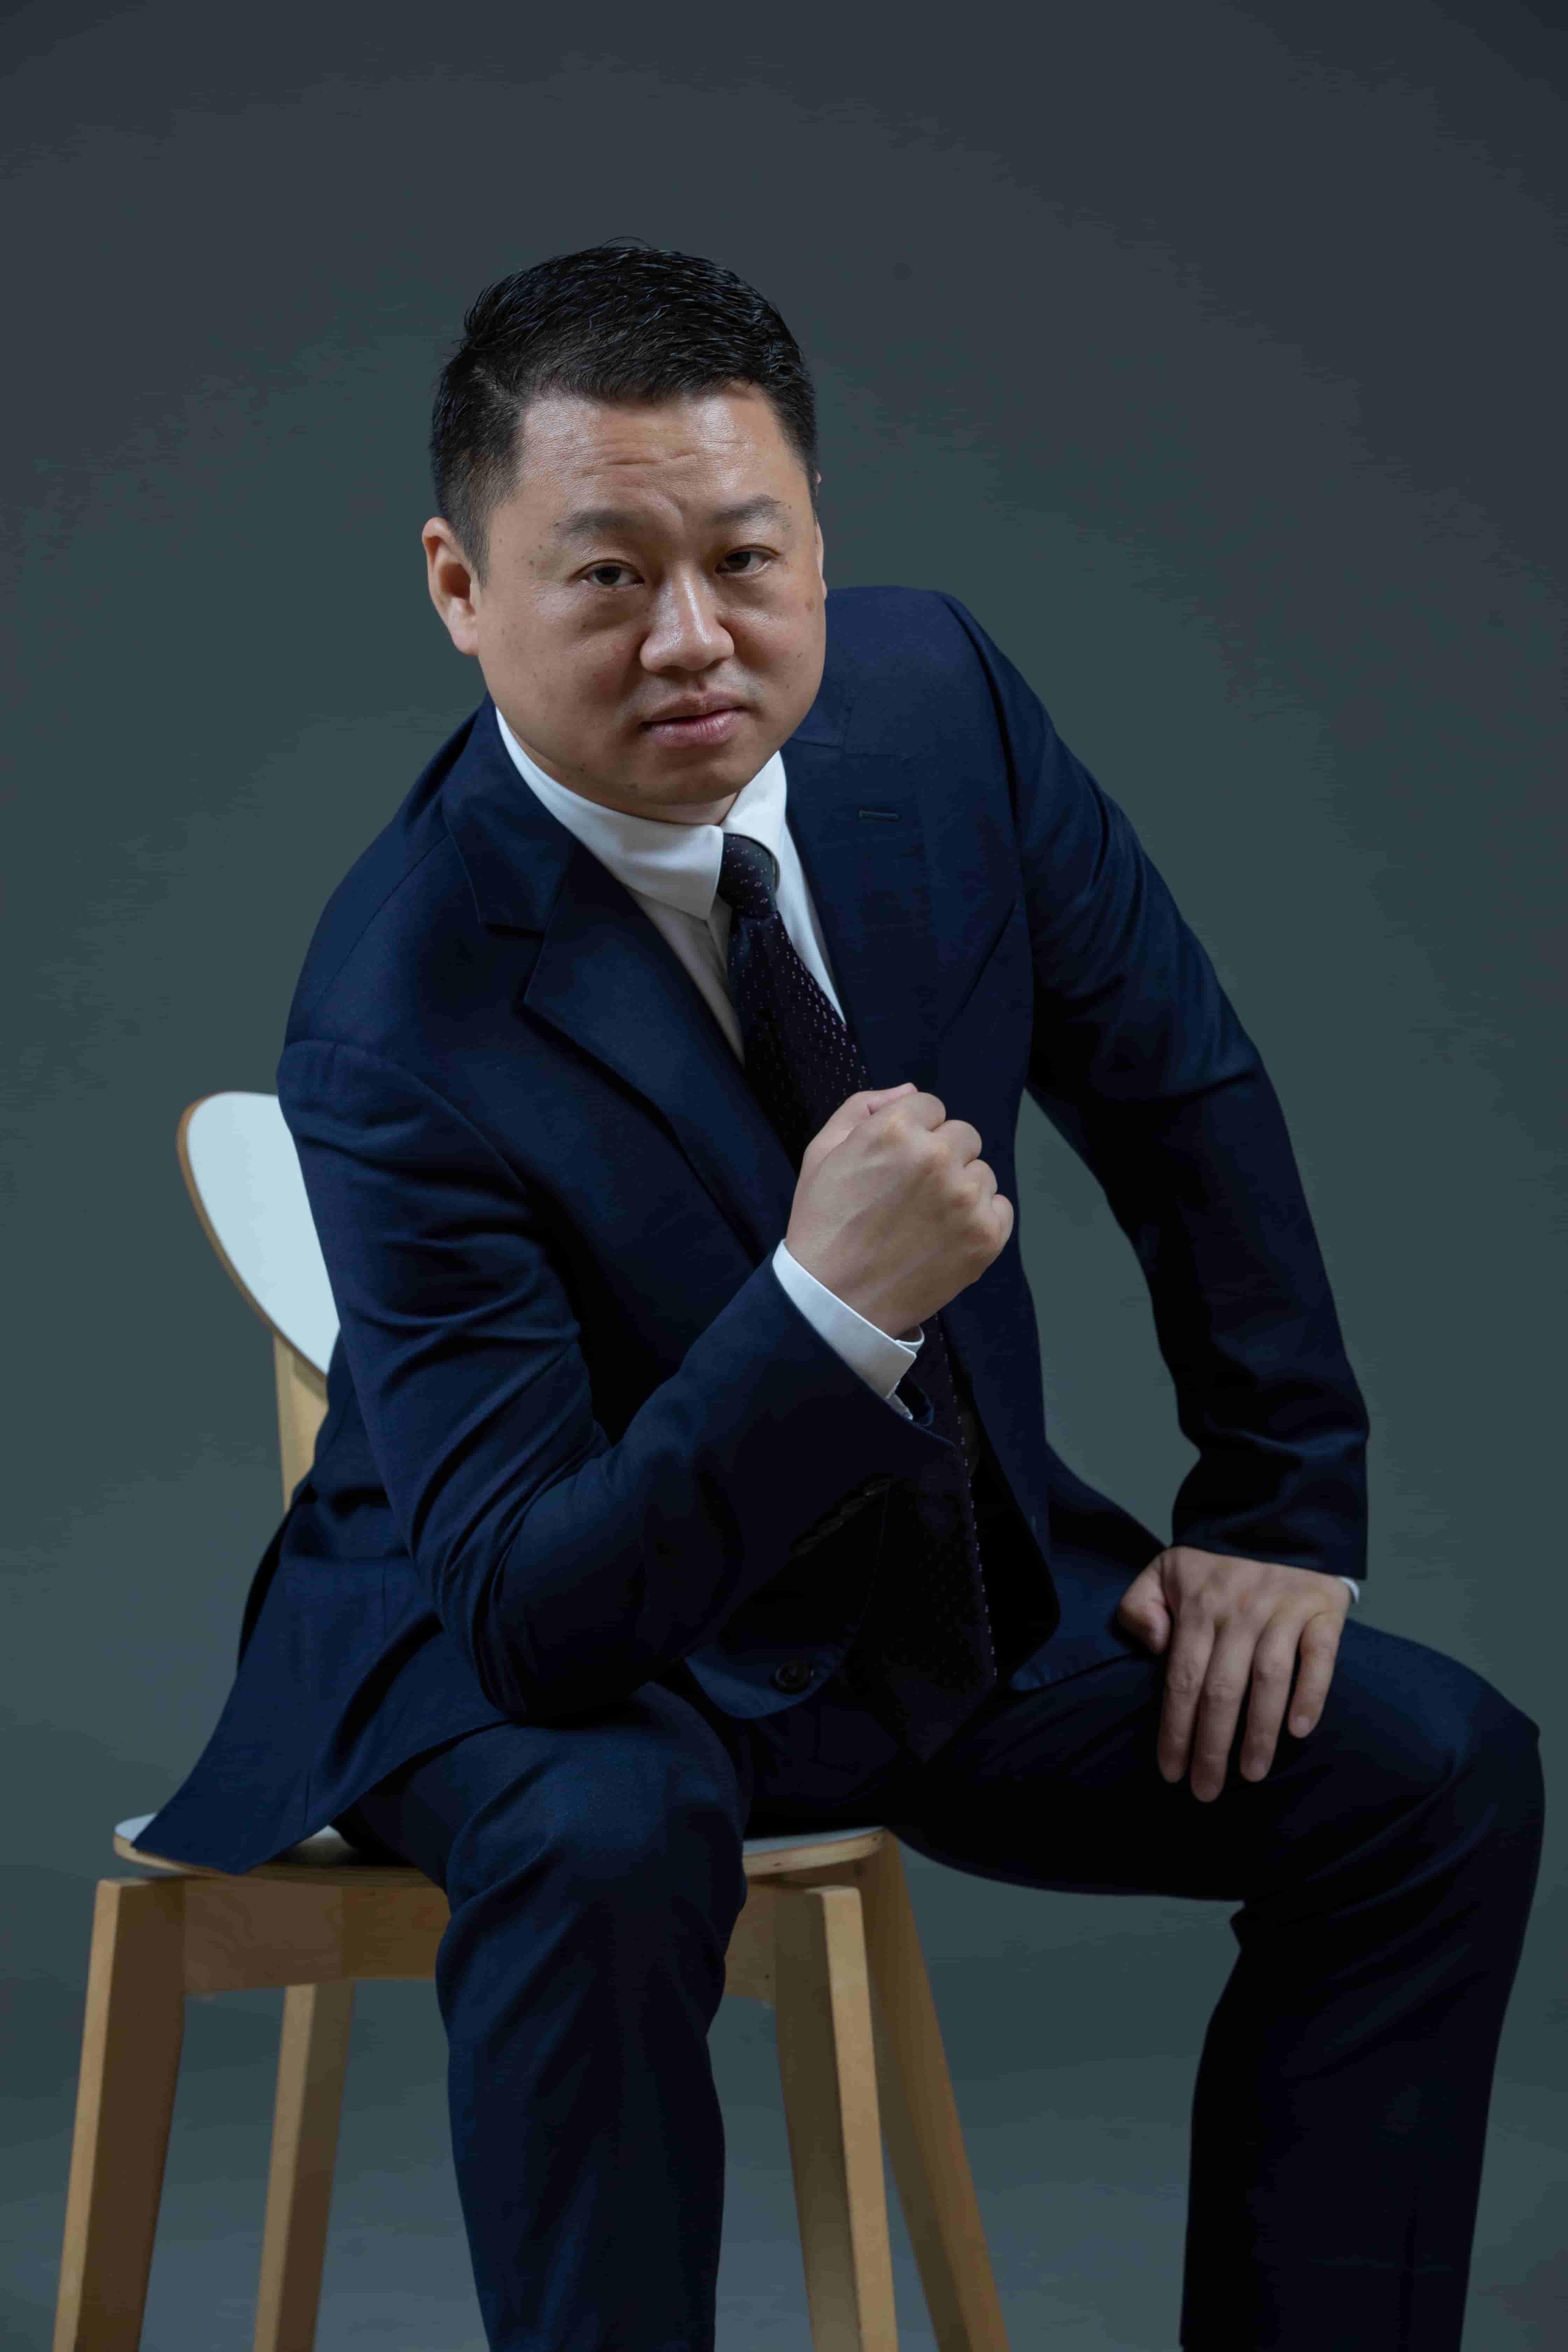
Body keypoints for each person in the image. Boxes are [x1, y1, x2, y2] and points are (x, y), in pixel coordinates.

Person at [138, 237, 1544, 2352]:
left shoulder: (933, 706)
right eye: (607, 577)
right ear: (460, 588)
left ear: (817, 539)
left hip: (924, 1588)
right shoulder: (400, 1014)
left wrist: (1279, 1506)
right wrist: (826, 1307)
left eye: (745, 558)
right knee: (609, 1831)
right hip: (522, 1623)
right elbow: (535, 1606)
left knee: (1439, 1776)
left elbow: (1180, 1092)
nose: (694, 639)